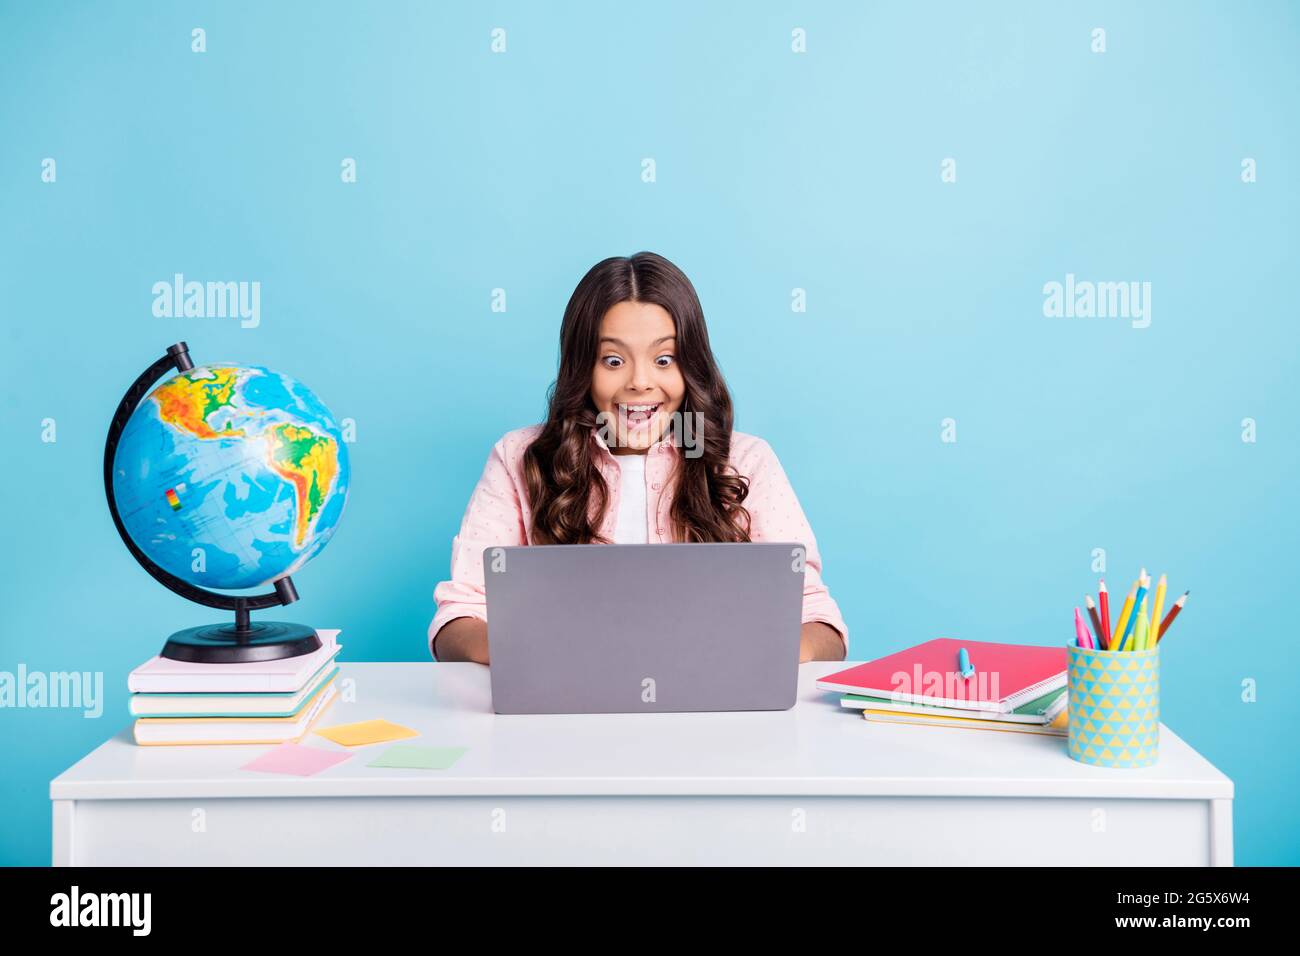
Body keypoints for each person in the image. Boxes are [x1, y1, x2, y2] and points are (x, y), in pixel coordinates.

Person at [429, 252, 848, 664]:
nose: (640, 382)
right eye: (613, 360)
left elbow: (818, 618)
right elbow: (459, 614)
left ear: (691, 366)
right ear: (582, 368)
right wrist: (536, 654)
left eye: (664, 359)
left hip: (714, 712)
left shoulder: (745, 460)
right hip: (565, 711)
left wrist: (760, 654)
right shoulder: (520, 457)